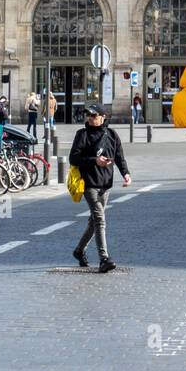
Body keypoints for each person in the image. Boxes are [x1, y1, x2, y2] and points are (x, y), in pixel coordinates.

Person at [69, 104, 131, 272]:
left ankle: (79, 251)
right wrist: (94, 161)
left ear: (103, 117)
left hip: (106, 184)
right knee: (100, 220)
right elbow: (73, 158)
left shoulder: (111, 135)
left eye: (94, 116)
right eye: (88, 116)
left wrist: (126, 174)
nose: (90, 118)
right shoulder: (82, 135)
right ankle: (104, 258)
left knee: (93, 222)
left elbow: (119, 157)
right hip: (89, 183)